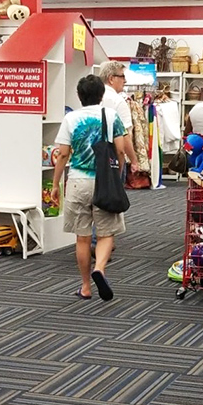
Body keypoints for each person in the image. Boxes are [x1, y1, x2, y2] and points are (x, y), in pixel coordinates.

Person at [51, 75, 126, 301]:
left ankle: (85, 286)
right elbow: (120, 150)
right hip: (104, 182)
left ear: (79, 96)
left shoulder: (70, 118)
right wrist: (117, 174)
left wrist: (55, 184)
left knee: (82, 238)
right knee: (106, 233)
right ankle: (100, 268)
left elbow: (63, 154)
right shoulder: (111, 116)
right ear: (101, 95)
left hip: (77, 181)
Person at [98, 61, 139, 173]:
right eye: (122, 76)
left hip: (93, 156)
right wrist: (134, 160)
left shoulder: (95, 97)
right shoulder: (118, 101)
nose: (125, 81)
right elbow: (125, 135)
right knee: (114, 189)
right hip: (113, 157)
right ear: (111, 79)